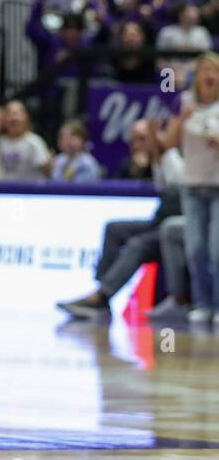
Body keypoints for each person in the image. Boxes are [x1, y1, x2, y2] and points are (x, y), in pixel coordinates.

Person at [59, 119, 185, 319]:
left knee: (137, 245)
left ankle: (100, 297)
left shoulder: (183, 154)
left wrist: (162, 152)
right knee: (114, 228)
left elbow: (178, 179)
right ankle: (101, 294)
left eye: (146, 138)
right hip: (159, 220)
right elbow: (163, 186)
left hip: (177, 223)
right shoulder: (159, 158)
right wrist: (156, 157)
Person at [159, 52, 219, 323]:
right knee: (196, 249)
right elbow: (168, 143)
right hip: (192, 186)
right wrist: (182, 119)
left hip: (218, 186)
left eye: (214, 70)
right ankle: (202, 303)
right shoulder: (183, 102)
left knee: (216, 249)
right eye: (205, 70)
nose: (209, 75)